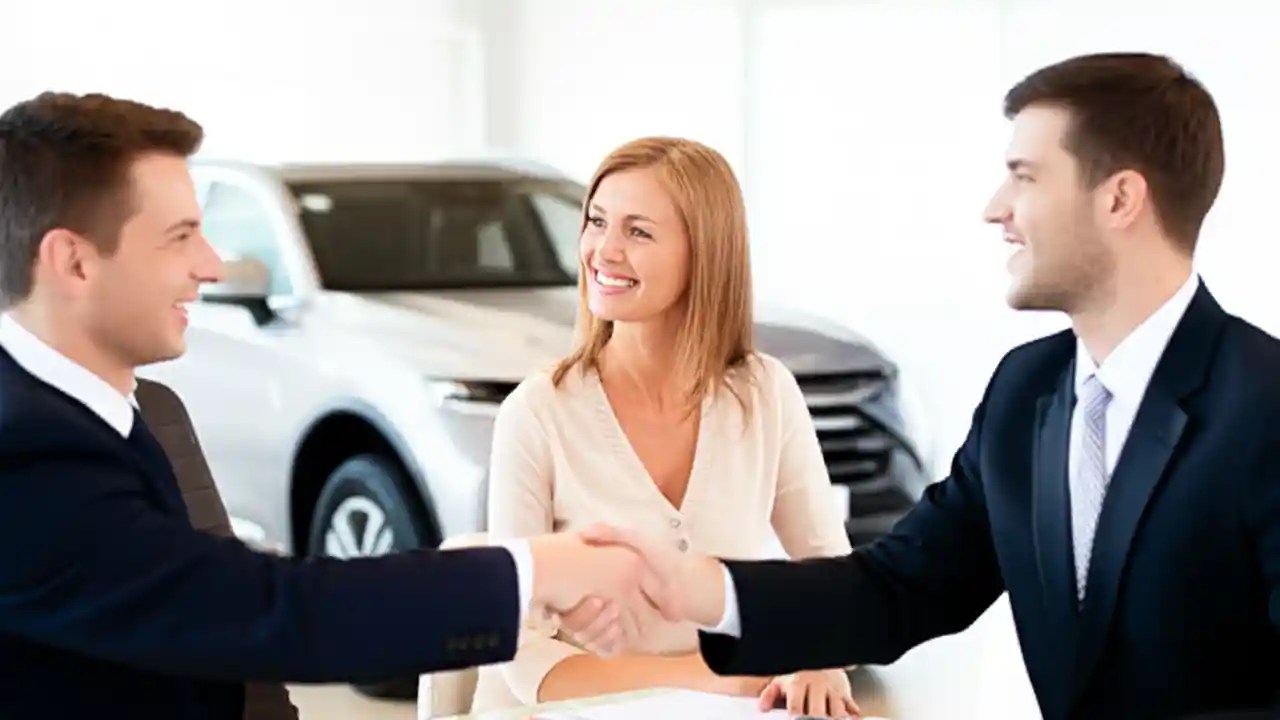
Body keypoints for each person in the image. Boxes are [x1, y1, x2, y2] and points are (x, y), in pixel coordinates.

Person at [578, 53, 1280, 719]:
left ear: (1120, 198)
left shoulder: (1265, 404)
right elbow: (900, 589)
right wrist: (695, 587)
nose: (995, 208)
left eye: (1026, 177)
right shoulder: (1025, 392)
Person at [0, 91, 640, 720]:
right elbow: (261, 612)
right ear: (74, 262)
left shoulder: (92, 413)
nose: (212, 266)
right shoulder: (26, 450)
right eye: (180, 237)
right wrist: (534, 571)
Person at [469, 137, 860, 719]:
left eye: (638, 231)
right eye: (597, 222)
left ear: (705, 253)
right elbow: (520, 654)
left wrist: (818, 659)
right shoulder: (538, 410)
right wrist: (712, 678)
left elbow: (837, 584)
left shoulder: (764, 393)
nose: (603, 250)